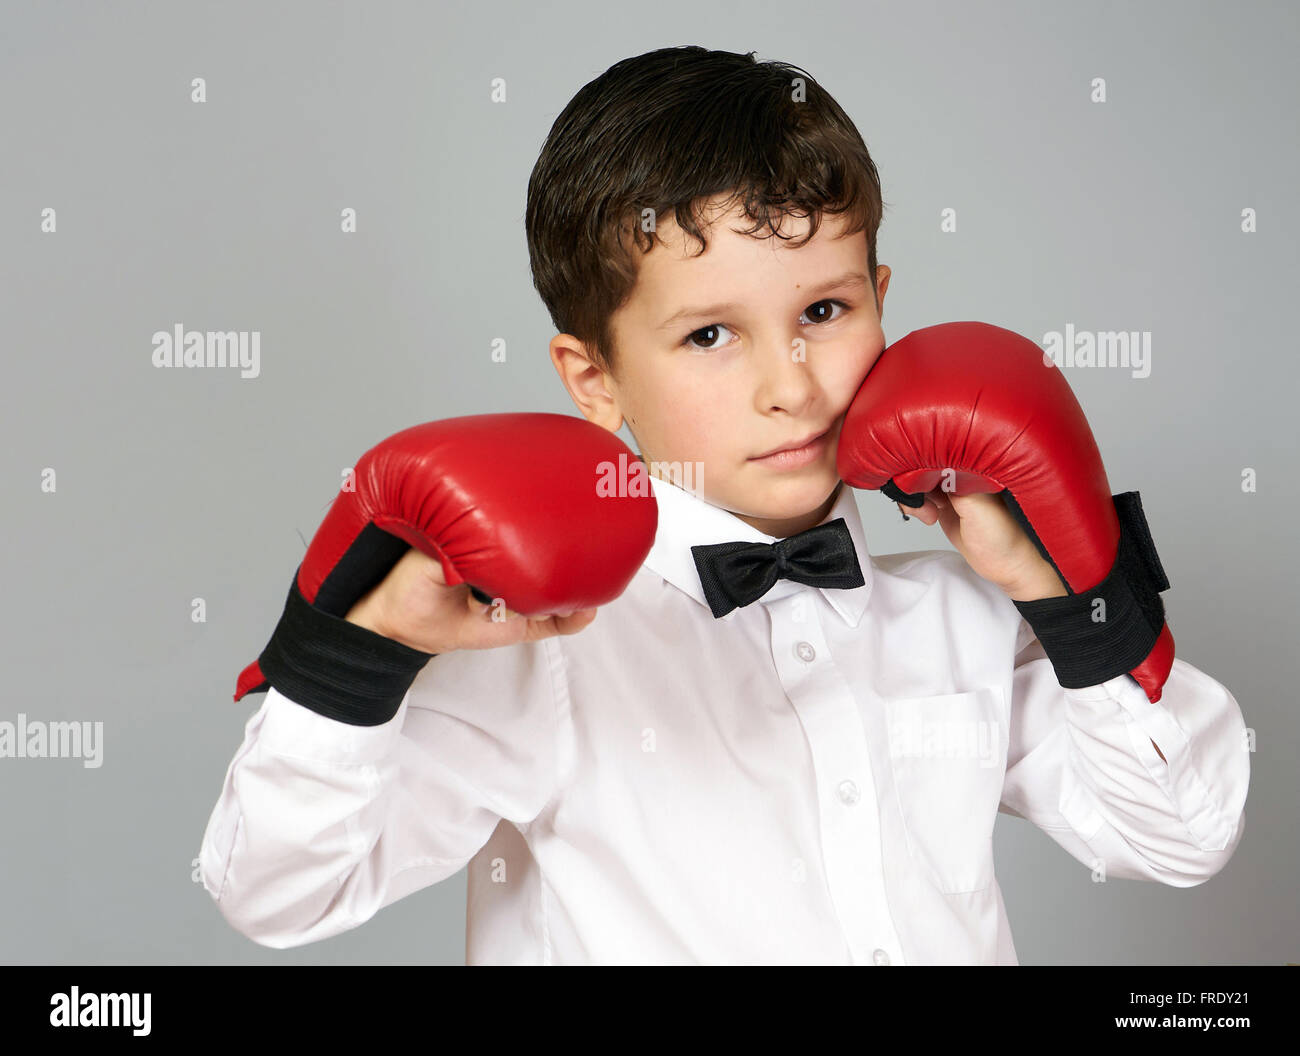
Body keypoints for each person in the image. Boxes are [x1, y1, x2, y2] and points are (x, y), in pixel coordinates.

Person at [198, 46, 1249, 964]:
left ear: (883, 300)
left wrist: (1073, 589)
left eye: (825, 310)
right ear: (593, 378)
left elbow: (1182, 837)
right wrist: (357, 654)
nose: (789, 385)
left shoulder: (964, 619)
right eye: (709, 335)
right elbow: (277, 897)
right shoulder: (540, 652)